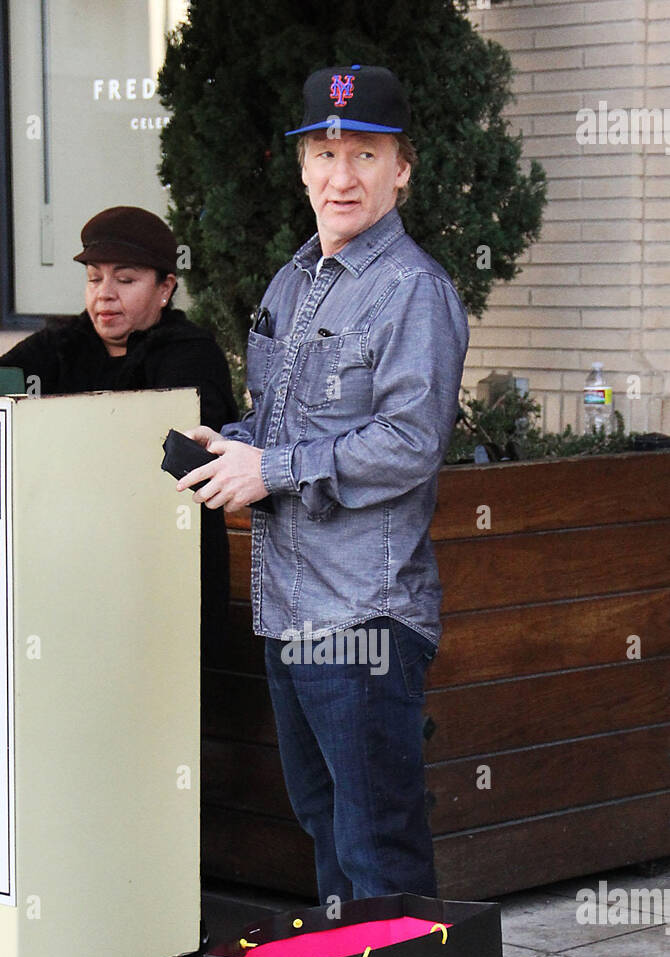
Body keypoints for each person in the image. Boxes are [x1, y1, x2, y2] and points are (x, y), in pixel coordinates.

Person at [177, 65, 469, 903]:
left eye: (366, 155)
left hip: (364, 614)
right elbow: (289, 428)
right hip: (290, 609)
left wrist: (269, 468)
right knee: (325, 823)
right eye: (326, 152)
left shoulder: (414, 289)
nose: (342, 177)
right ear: (302, 164)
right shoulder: (293, 280)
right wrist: (229, 447)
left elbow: (410, 445)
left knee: (377, 839)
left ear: (401, 169)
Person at [0, 205, 237, 668]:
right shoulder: (61, 344)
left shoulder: (190, 353)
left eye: (125, 280)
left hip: (166, 575)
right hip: (74, 573)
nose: (104, 295)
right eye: (94, 279)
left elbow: (182, 450)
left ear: (165, 287)